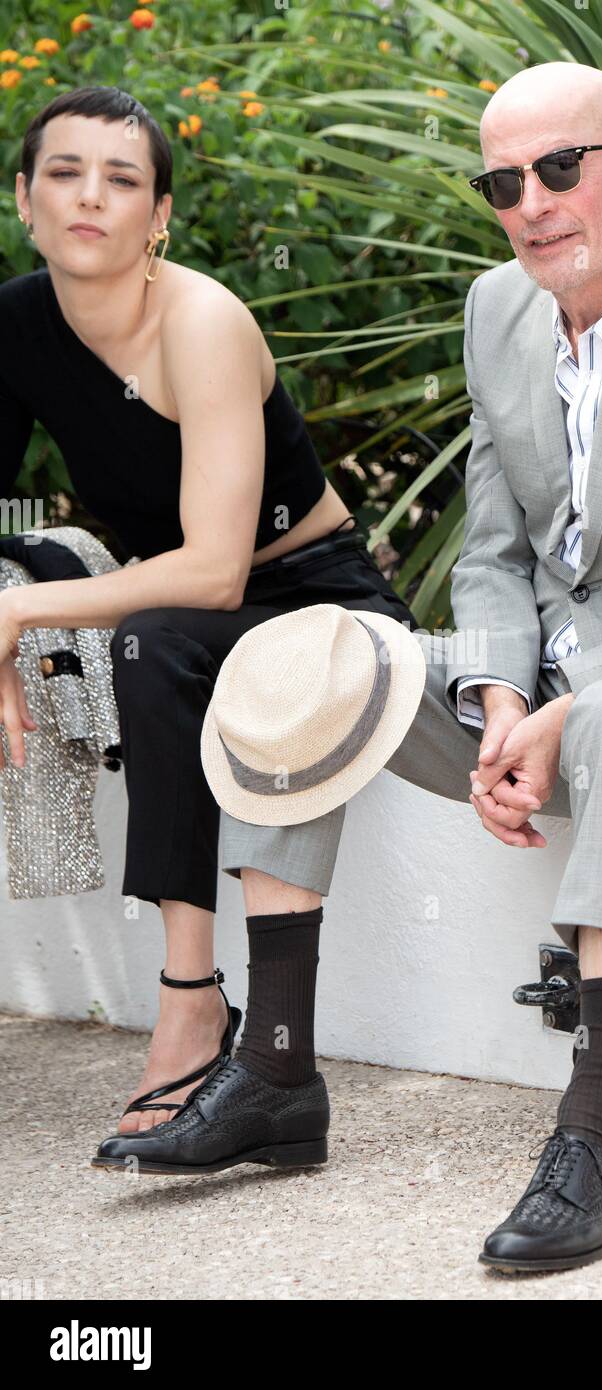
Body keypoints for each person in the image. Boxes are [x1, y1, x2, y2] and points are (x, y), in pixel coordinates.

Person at [90, 62, 602, 1275]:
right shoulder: (498, 310)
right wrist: (502, 698)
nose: (533, 201)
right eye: (504, 180)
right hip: (539, 701)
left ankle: (596, 1139)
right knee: (321, 652)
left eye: (561, 168)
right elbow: (492, 555)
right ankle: (277, 1066)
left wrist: (567, 704)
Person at [0, 85, 416, 1136]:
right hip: (171, 602)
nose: (91, 196)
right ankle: (193, 1010)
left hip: (311, 594)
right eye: (65, 172)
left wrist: (21, 615)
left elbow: (219, 571)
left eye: (123, 178)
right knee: (141, 629)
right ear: (24, 201)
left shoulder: (202, 321)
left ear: (159, 217)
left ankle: (190, 1003)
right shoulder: (16, 324)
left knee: (152, 638)